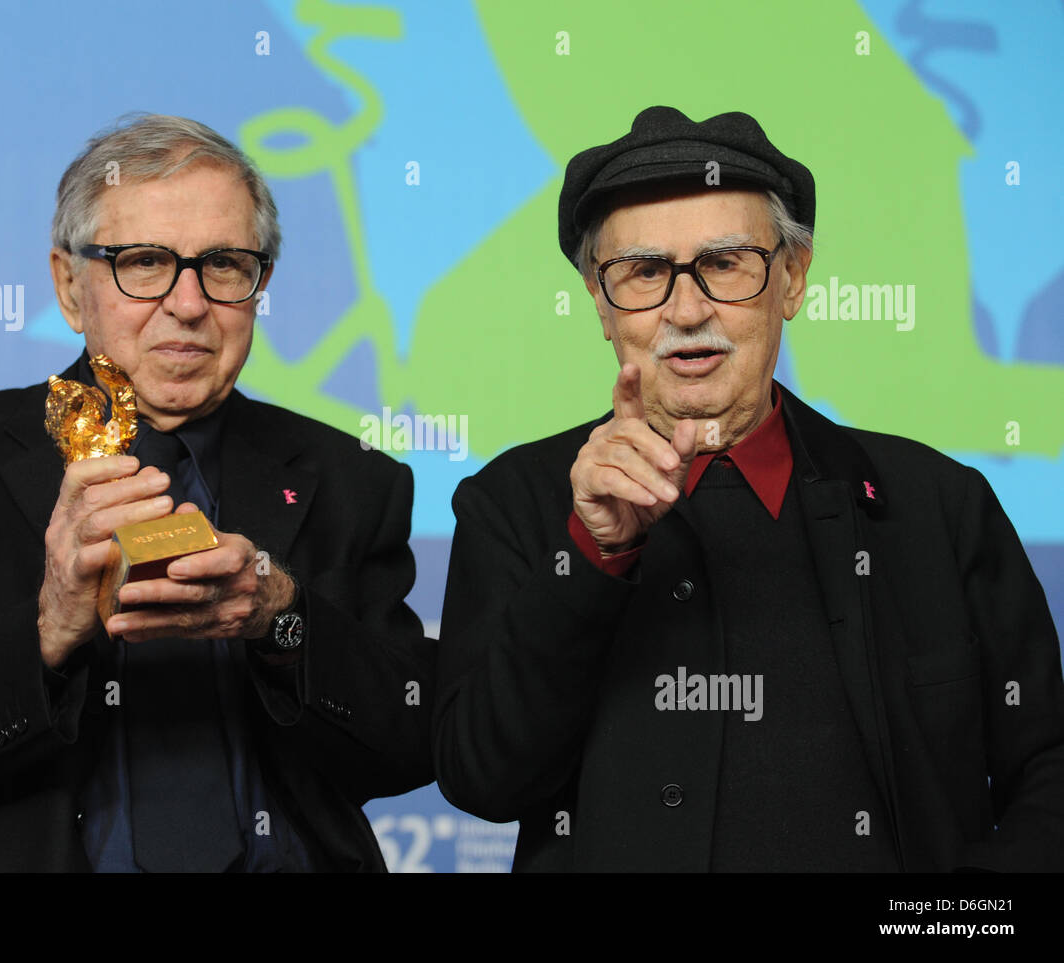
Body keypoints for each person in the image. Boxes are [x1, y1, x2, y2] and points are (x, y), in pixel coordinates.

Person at [433, 105, 1064, 872]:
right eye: (644, 273)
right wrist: (593, 556)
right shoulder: (515, 502)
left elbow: (1047, 767)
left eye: (725, 263)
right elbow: (482, 778)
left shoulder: (938, 504)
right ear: (602, 306)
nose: (687, 308)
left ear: (791, 280)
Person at [0, 114, 434, 872]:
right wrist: (46, 629)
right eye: (143, 262)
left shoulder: (354, 476)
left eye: (225, 264)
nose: (187, 302)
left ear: (259, 285)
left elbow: (413, 739)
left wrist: (282, 619)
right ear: (69, 285)